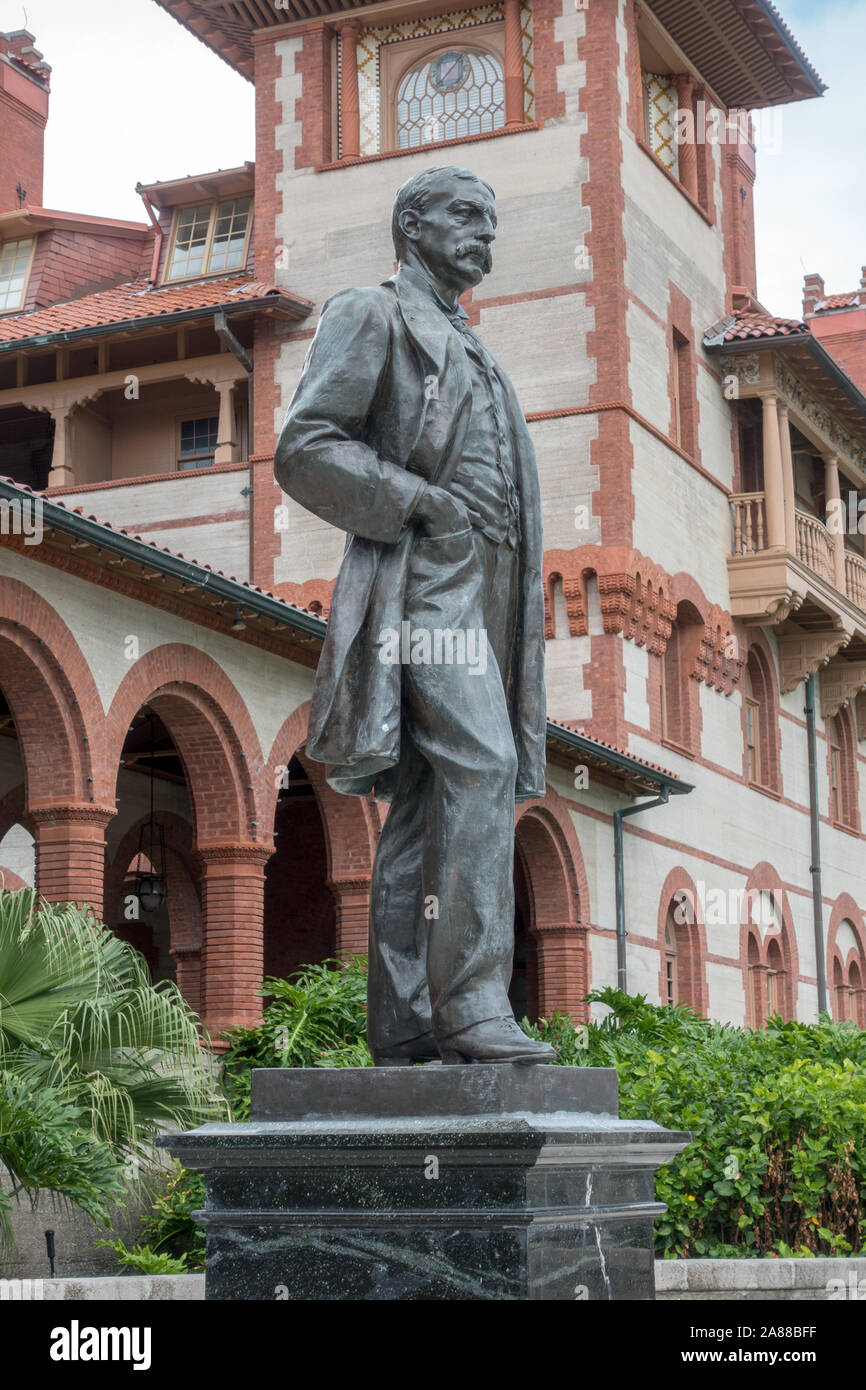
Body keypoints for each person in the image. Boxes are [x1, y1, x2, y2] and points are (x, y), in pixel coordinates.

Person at [275, 165, 555, 1066]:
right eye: (465, 215)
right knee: (483, 761)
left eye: (492, 220)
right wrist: (419, 504)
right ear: (412, 225)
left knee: (427, 805)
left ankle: (403, 1026)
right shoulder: (373, 312)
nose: (484, 235)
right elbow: (307, 449)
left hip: (492, 594)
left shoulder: (482, 352)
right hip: (424, 585)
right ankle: (473, 1005)